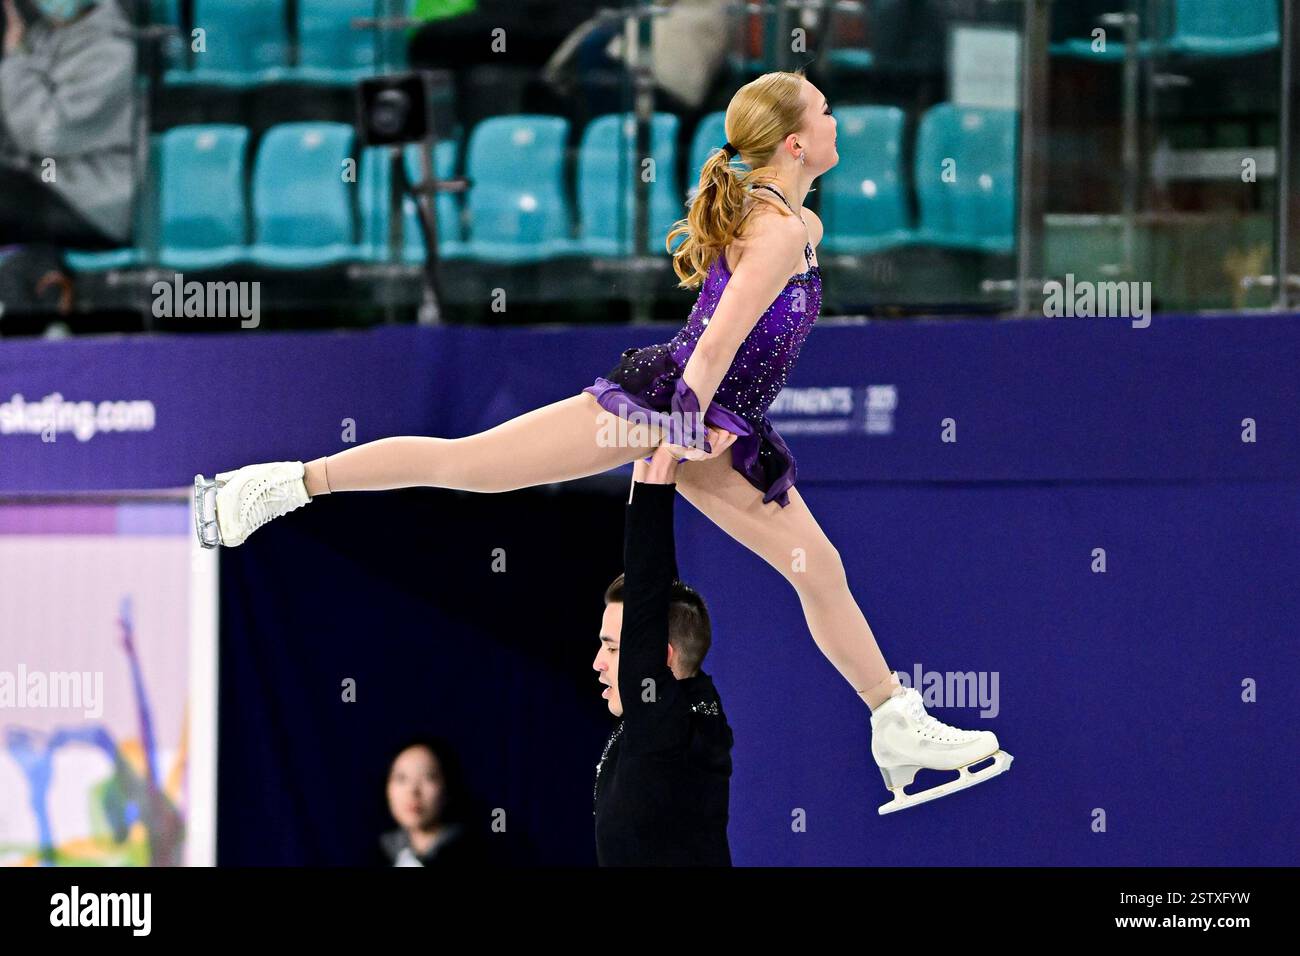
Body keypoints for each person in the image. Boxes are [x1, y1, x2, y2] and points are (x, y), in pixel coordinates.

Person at [195, 68, 1012, 813]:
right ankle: (276, 486)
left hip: (719, 428)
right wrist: (674, 437)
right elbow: (717, 345)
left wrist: (696, 436)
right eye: (827, 111)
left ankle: (893, 722)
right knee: (470, 465)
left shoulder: (799, 221)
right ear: (796, 140)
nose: (839, 120)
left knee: (819, 567)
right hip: (675, 407)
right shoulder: (778, 233)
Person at [592, 439, 736, 866]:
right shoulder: (683, 711)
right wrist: (648, 459)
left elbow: (648, 572)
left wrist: (663, 462)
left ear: (663, 657)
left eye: (614, 648)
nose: (598, 664)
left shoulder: (664, 725)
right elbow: (655, 587)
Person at [0, 0, 135, 248]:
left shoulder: (113, 51)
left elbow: (47, 134)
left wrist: (15, 61)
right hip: (49, 180)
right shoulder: (46, 36)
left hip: (93, 201)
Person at [378, 736, 479, 866]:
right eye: (401, 778)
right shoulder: (377, 854)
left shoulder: (476, 853)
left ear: (448, 786)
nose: (413, 791)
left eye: (429, 777)